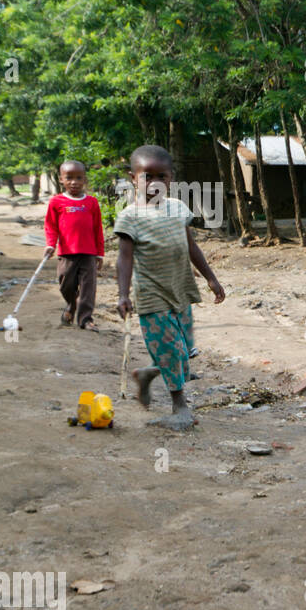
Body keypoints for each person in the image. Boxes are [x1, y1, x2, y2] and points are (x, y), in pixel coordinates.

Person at [114, 144, 225, 430]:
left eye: (161, 176)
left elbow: (191, 246)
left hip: (180, 289)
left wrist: (211, 278)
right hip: (151, 294)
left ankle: (149, 373)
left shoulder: (178, 208)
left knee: (185, 350)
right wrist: (123, 295)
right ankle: (179, 407)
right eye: (146, 176)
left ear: (171, 178)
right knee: (172, 350)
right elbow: (124, 260)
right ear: (132, 178)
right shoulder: (129, 216)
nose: (154, 183)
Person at [43, 160, 104, 330]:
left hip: (89, 253)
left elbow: (97, 228)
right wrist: (50, 244)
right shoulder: (57, 202)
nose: (74, 182)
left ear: (85, 179)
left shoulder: (92, 202)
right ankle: (71, 304)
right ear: (61, 179)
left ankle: (85, 319)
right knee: (66, 285)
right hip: (67, 252)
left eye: (79, 178)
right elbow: (50, 226)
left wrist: (100, 253)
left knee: (88, 288)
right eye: (69, 177)